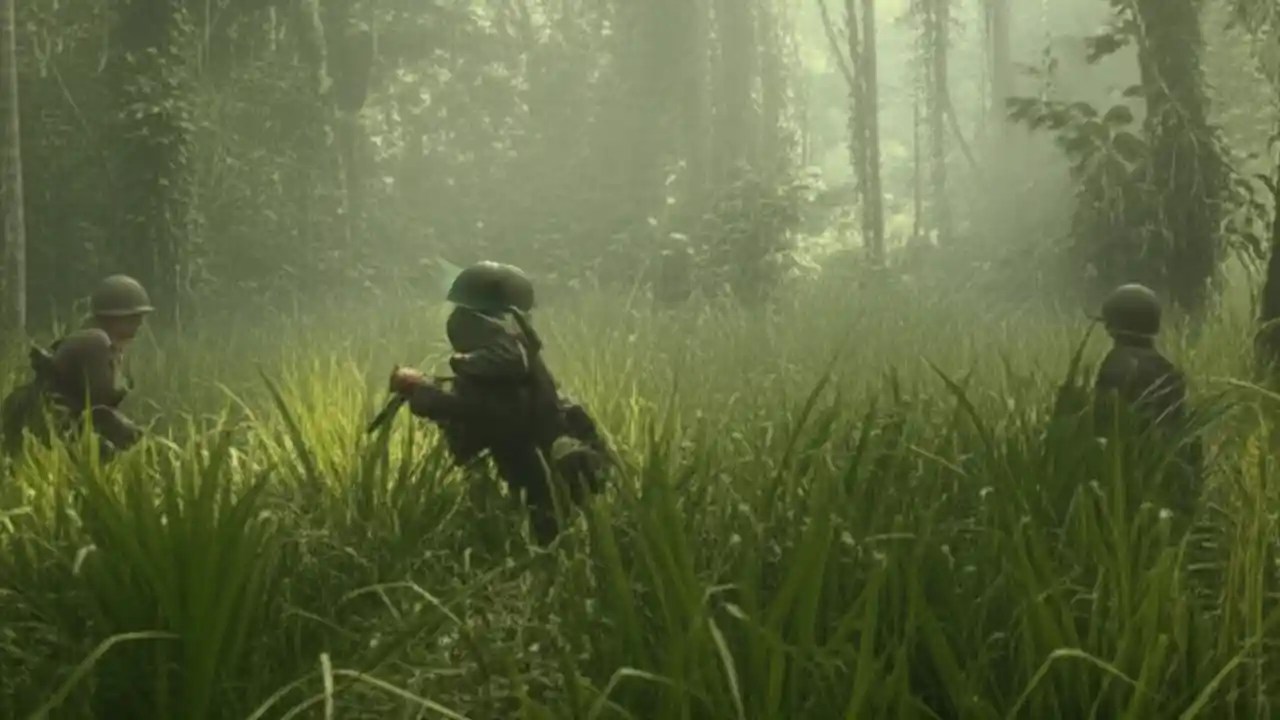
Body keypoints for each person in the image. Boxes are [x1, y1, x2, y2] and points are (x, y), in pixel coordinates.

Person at [388, 261, 610, 545]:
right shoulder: (516, 364)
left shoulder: (508, 366)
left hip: (542, 457)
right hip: (537, 453)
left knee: (548, 519)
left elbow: (478, 409)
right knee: (543, 514)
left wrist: (423, 390)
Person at [2, 274, 152, 457]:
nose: (139, 324)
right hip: (55, 427)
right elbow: (102, 401)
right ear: (115, 318)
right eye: (134, 318)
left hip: (53, 424)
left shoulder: (91, 336)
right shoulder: (96, 340)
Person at [1091, 283, 1202, 514]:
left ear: (1113, 327)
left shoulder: (1115, 363)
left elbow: (1101, 424)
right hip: (1166, 478)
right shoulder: (1170, 370)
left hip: (1125, 482)